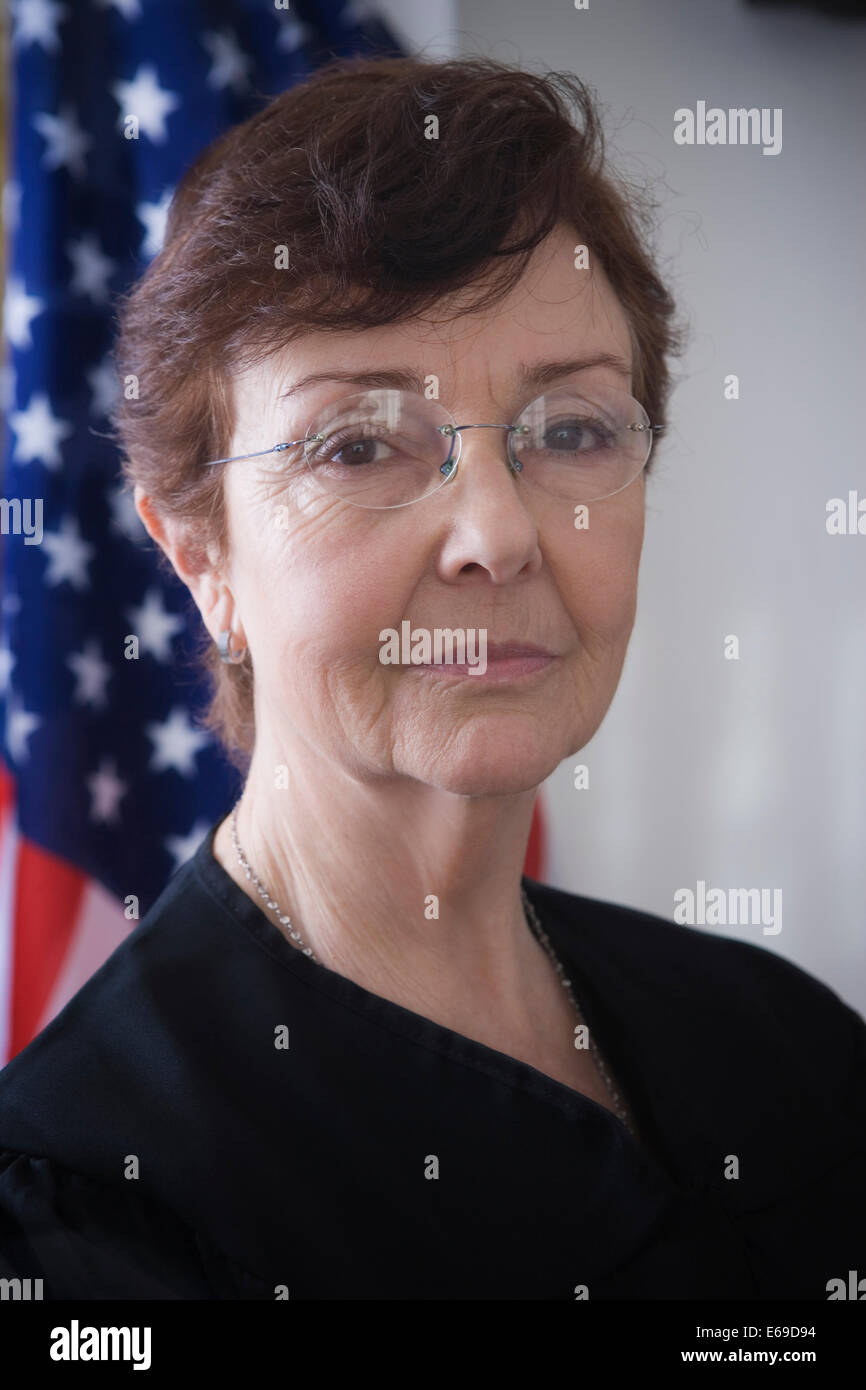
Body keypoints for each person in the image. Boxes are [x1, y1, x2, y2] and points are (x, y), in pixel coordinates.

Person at [0, 55, 862, 1301]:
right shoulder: (84, 1203)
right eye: (358, 446)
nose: (497, 534)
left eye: (570, 430)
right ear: (202, 557)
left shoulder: (790, 1044)